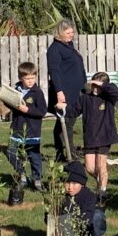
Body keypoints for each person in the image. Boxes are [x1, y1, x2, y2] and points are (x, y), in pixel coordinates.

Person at [46, 20, 87, 163]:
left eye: (72, 32)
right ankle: (69, 153)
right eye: (68, 32)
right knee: (67, 122)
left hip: (75, 90)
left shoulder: (69, 46)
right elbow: (54, 72)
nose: (71, 35)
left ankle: (62, 152)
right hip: (65, 92)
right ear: (60, 32)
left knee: (65, 122)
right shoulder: (55, 49)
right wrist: (59, 92)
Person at [6, 62, 49, 189]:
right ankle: (22, 175)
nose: (30, 81)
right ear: (21, 78)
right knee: (11, 152)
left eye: (32, 78)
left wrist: (27, 110)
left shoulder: (37, 92)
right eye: (27, 78)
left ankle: (37, 180)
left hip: (32, 131)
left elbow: (42, 111)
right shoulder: (16, 90)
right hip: (17, 128)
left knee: (34, 156)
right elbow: (12, 105)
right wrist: (7, 100)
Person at [80, 72, 118, 196]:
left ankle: (102, 192)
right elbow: (74, 109)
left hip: (105, 136)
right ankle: (100, 180)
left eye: (97, 86)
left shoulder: (108, 98)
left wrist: (100, 84)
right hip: (90, 137)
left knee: (101, 166)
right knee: (89, 168)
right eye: (92, 85)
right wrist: (64, 108)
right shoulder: (85, 98)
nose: (94, 88)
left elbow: (115, 90)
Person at [57, 163, 106, 236]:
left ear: (82, 184)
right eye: (67, 183)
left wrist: (75, 223)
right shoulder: (61, 197)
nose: (70, 187)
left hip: (86, 229)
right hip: (67, 232)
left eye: (74, 183)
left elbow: (87, 215)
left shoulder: (89, 196)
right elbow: (55, 213)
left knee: (97, 214)